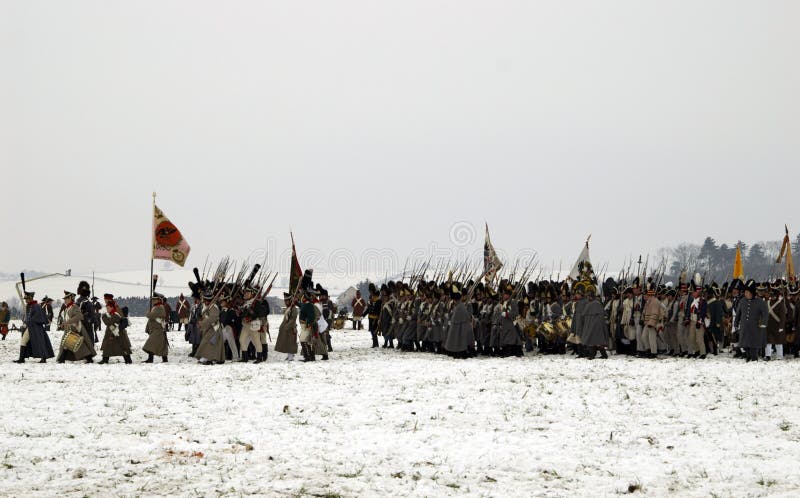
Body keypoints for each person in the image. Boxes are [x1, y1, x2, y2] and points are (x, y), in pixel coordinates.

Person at [14, 291, 54, 363]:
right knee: (24, 341)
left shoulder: (36, 306)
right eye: (25, 299)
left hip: (36, 328)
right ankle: (21, 358)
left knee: (40, 342)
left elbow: (38, 317)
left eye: (27, 299)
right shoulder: (28, 306)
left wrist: (28, 322)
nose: (26, 300)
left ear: (30, 298)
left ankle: (43, 358)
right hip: (29, 328)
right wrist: (25, 322)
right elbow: (26, 316)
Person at [56, 290, 95, 363]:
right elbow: (67, 319)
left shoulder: (74, 307)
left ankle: (88, 357)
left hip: (75, 328)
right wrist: (63, 324)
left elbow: (80, 316)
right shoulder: (67, 307)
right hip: (69, 329)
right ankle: (62, 358)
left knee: (75, 344)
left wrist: (68, 321)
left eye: (66, 299)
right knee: (67, 343)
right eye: (64, 299)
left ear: (70, 298)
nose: (65, 300)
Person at [734, 279, 769, 362]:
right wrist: (736, 323)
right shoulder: (742, 301)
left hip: (755, 328)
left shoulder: (760, 302)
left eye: (748, 292)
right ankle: (749, 356)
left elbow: (765, 313)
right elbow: (738, 314)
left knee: (753, 345)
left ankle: (753, 359)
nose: (746, 294)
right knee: (744, 344)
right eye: (745, 292)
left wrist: (764, 323)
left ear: (752, 293)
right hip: (744, 327)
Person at [99, 298, 133, 364]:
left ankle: (128, 360)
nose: (107, 309)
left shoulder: (115, 315)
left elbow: (108, 322)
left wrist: (104, 317)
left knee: (123, 347)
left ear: (112, 308)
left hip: (118, 334)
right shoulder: (111, 314)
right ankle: (105, 359)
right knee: (107, 346)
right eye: (107, 308)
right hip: (112, 333)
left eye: (108, 308)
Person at [196, 290, 224, 365]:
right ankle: (207, 357)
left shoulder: (214, 307)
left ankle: (210, 358)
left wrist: (202, 323)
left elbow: (212, 318)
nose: (204, 301)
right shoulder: (207, 306)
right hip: (210, 328)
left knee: (210, 343)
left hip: (215, 328)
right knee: (208, 343)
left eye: (205, 300)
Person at [238, 287, 264, 363]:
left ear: (252, 294)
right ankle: (245, 357)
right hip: (246, 324)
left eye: (248, 292)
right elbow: (242, 314)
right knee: (241, 340)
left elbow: (259, 313)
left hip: (254, 323)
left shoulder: (256, 302)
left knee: (256, 341)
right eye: (246, 292)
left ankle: (259, 358)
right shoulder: (245, 303)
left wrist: (251, 315)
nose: (246, 294)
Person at [641, 282, 665, 358]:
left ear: (648, 295)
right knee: (644, 337)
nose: (643, 296)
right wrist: (642, 319)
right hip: (647, 323)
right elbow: (644, 312)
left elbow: (655, 314)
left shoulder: (655, 301)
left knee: (652, 338)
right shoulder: (647, 302)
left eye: (644, 295)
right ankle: (648, 350)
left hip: (653, 323)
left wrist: (651, 323)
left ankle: (653, 352)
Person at [143, 293, 169, 363]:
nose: (153, 301)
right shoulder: (155, 307)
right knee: (161, 345)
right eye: (152, 300)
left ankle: (150, 359)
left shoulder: (160, 307)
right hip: (155, 329)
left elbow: (152, 316)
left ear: (158, 300)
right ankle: (164, 359)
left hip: (158, 330)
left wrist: (148, 313)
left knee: (151, 344)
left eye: (154, 299)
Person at [764, 284, 787, 361]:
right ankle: (767, 355)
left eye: (774, 295)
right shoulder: (767, 303)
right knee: (768, 342)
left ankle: (779, 356)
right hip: (769, 325)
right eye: (771, 295)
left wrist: (781, 327)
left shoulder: (780, 304)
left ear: (777, 296)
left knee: (778, 342)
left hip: (777, 326)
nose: (772, 296)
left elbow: (783, 317)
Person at [275, 292, 299, 361]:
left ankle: (291, 356)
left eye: (287, 301)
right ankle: (289, 356)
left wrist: (286, 327)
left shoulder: (294, 309)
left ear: (290, 300)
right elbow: (285, 319)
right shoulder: (288, 308)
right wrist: (282, 326)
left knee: (291, 343)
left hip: (291, 328)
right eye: (285, 301)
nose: (286, 302)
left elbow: (293, 319)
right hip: (287, 327)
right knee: (287, 342)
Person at [366, 284, 382, 348]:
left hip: (375, 318)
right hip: (370, 317)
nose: (371, 293)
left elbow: (378, 310)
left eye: (371, 291)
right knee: (372, 331)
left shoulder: (378, 300)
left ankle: (376, 344)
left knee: (374, 331)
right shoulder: (371, 300)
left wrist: (378, 318)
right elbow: (368, 309)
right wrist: (363, 315)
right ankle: (374, 343)